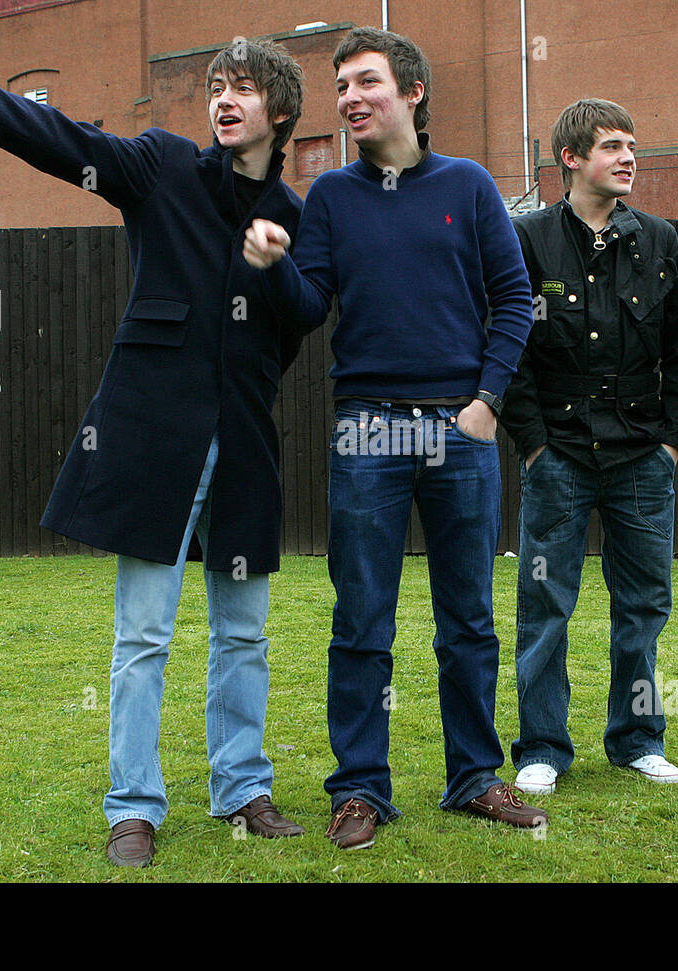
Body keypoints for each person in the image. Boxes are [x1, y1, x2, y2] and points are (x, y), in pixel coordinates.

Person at [0, 39, 310, 865]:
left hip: (246, 444)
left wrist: (274, 267)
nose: (224, 99)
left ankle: (243, 790)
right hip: (153, 442)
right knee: (143, 636)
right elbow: (68, 143)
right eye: (217, 86)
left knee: (243, 636)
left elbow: (311, 309)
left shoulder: (294, 212)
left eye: (243, 88)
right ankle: (133, 806)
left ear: (279, 111)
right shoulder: (162, 166)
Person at [243, 26, 542, 849]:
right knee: (362, 621)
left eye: (365, 82)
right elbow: (310, 309)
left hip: (461, 429)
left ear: (412, 93)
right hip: (365, 430)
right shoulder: (332, 197)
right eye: (341, 87)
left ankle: (474, 778)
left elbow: (514, 301)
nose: (349, 99)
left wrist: (486, 404)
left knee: (469, 622)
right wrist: (275, 265)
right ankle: (360, 791)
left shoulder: (471, 185)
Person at [499, 100, 678, 796]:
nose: (629, 157)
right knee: (545, 603)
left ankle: (638, 739)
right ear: (571, 159)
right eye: (612, 145)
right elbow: (510, 350)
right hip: (557, 456)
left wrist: (671, 442)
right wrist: (531, 446)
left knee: (643, 604)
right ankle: (543, 748)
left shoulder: (661, 241)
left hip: (642, 456)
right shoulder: (527, 240)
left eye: (633, 145)